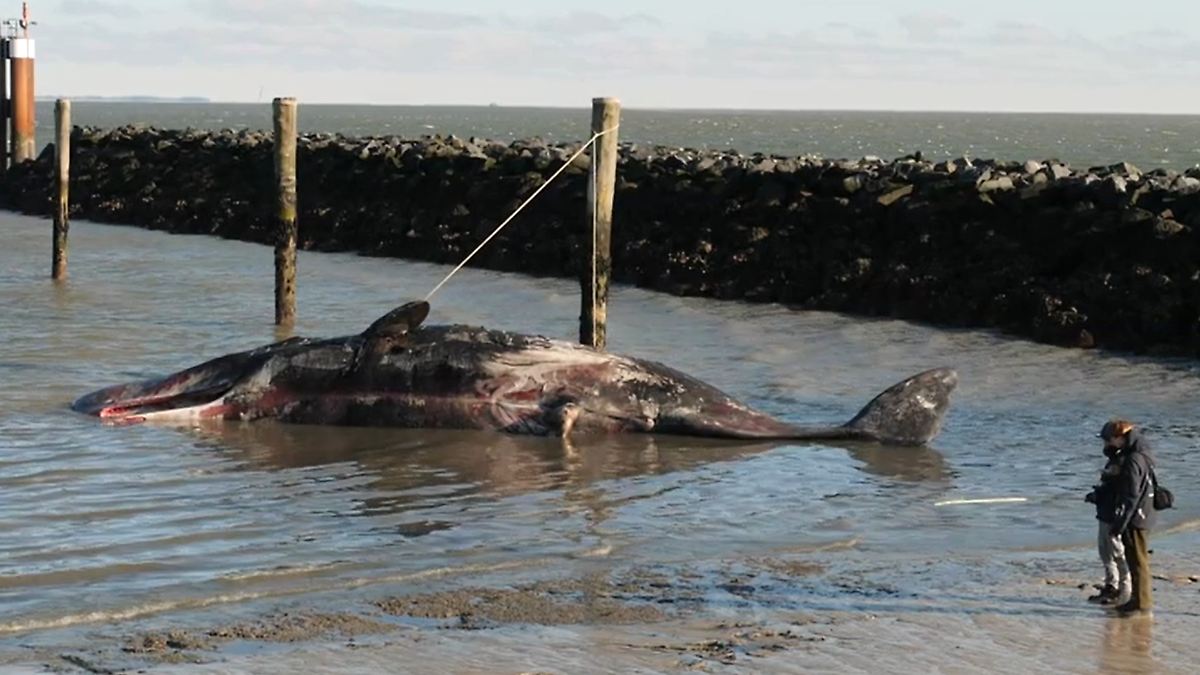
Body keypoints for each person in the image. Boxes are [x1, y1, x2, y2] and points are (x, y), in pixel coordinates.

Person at [1100, 419, 1157, 616]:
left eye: (1109, 440)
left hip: (1137, 517)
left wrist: (1120, 523)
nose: (1108, 444)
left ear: (1119, 437)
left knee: (1137, 561)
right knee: (1137, 559)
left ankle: (1141, 602)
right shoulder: (1142, 452)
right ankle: (1140, 600)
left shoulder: (1133, 459)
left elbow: (1132, 495)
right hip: (1143, 514)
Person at [1084, 441, 1129, 605]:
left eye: (1107, 440)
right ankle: (1111, 586)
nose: (1105, 444)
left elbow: (1117, 491)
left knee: (1117, 554)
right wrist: (1096, 496)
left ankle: (1124, 591)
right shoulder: (1114, 460)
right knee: (1105, 553)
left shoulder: (1123, 462)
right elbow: (1107, 488)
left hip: (1113, 516)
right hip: (1104, 513)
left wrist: (1099, 495)